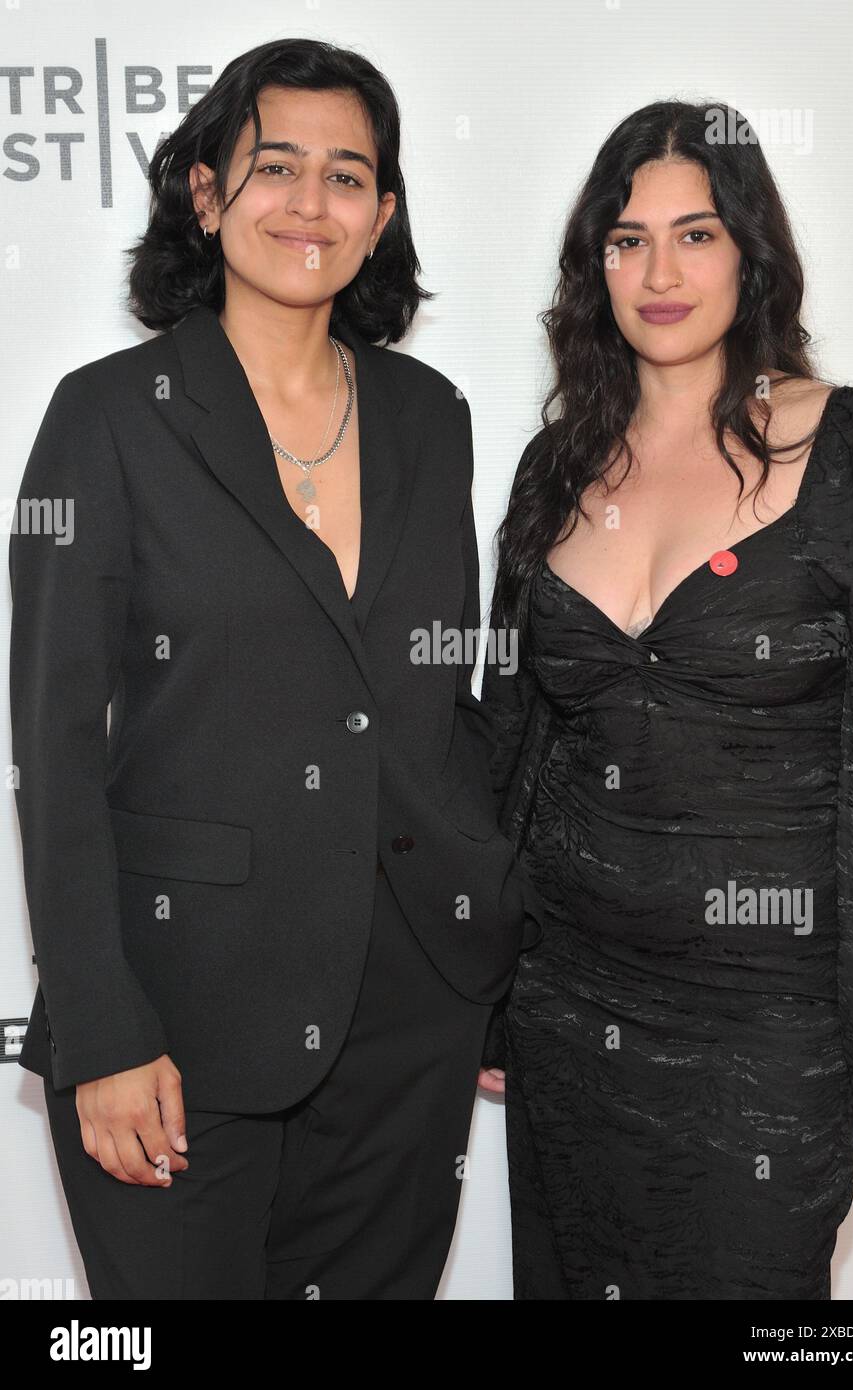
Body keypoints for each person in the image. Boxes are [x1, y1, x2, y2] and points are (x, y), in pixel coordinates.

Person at [10, 37, 539, 1300]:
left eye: (348, 175)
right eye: (277, 166)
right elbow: (55, 742)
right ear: (206, 192)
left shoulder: (431, 416)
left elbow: (432, 714)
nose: (312, 203)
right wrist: (103, 1027)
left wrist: (493, 961)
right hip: (177, 1018)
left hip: (405, 1020)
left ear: (384, 212)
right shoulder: (108, 415)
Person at [478, 99, 853, 1300]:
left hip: (769, 1022)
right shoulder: (555, 465)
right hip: (569, 1005)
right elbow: (511, 748)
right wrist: (483, 996)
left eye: (696, 234)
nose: (659, 272)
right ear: (594, 265)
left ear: (751, 252)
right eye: (626, 240)